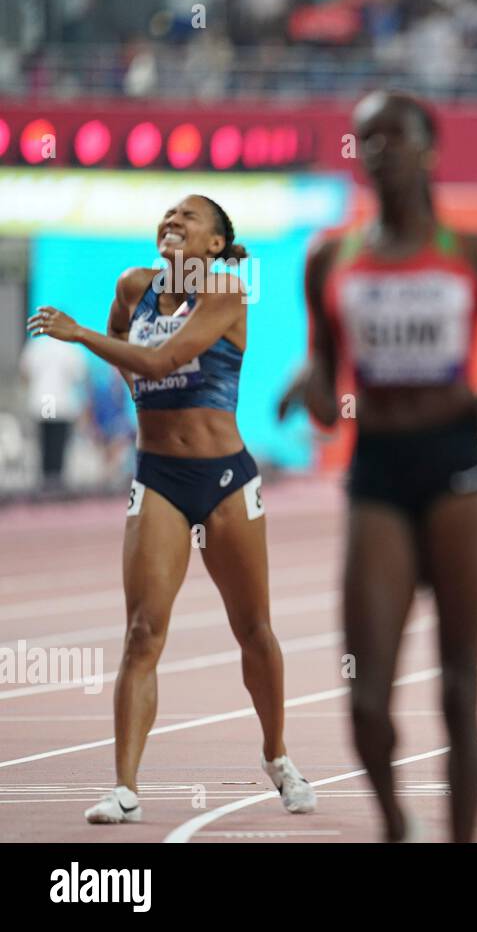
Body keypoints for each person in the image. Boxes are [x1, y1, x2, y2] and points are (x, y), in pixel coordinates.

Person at [27, 194, 316, 823]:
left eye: (189, 217)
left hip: (225, 478)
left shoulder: (227, 292)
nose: (173, 222)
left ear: (214, 245)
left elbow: (159, 358)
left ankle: (278, 756)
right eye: (168, 215)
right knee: (141, 632)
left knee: (253, 629)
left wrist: (81, 335)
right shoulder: (133, 287)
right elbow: (128, 360)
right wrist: (146, 406)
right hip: (157, 475)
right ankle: (125, 787)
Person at [291, 90, 477, 842]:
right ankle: (398, 822)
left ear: (430, 150)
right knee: (366, 695)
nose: (379, 151)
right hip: (379, 472)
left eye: (395, 137)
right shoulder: (332, 258)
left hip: (457, 467)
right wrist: (312, 392)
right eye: (366, 140)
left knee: (460, 688)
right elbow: (327, 385)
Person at [19, 332, 88, 490]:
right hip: (61, 401)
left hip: (44, 399)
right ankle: (55, 487)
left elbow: (25, 372)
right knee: (59, 446)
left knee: (45, 444)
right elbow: (79, 375)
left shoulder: (37, 345)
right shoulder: (70, 347)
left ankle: (45, 485)